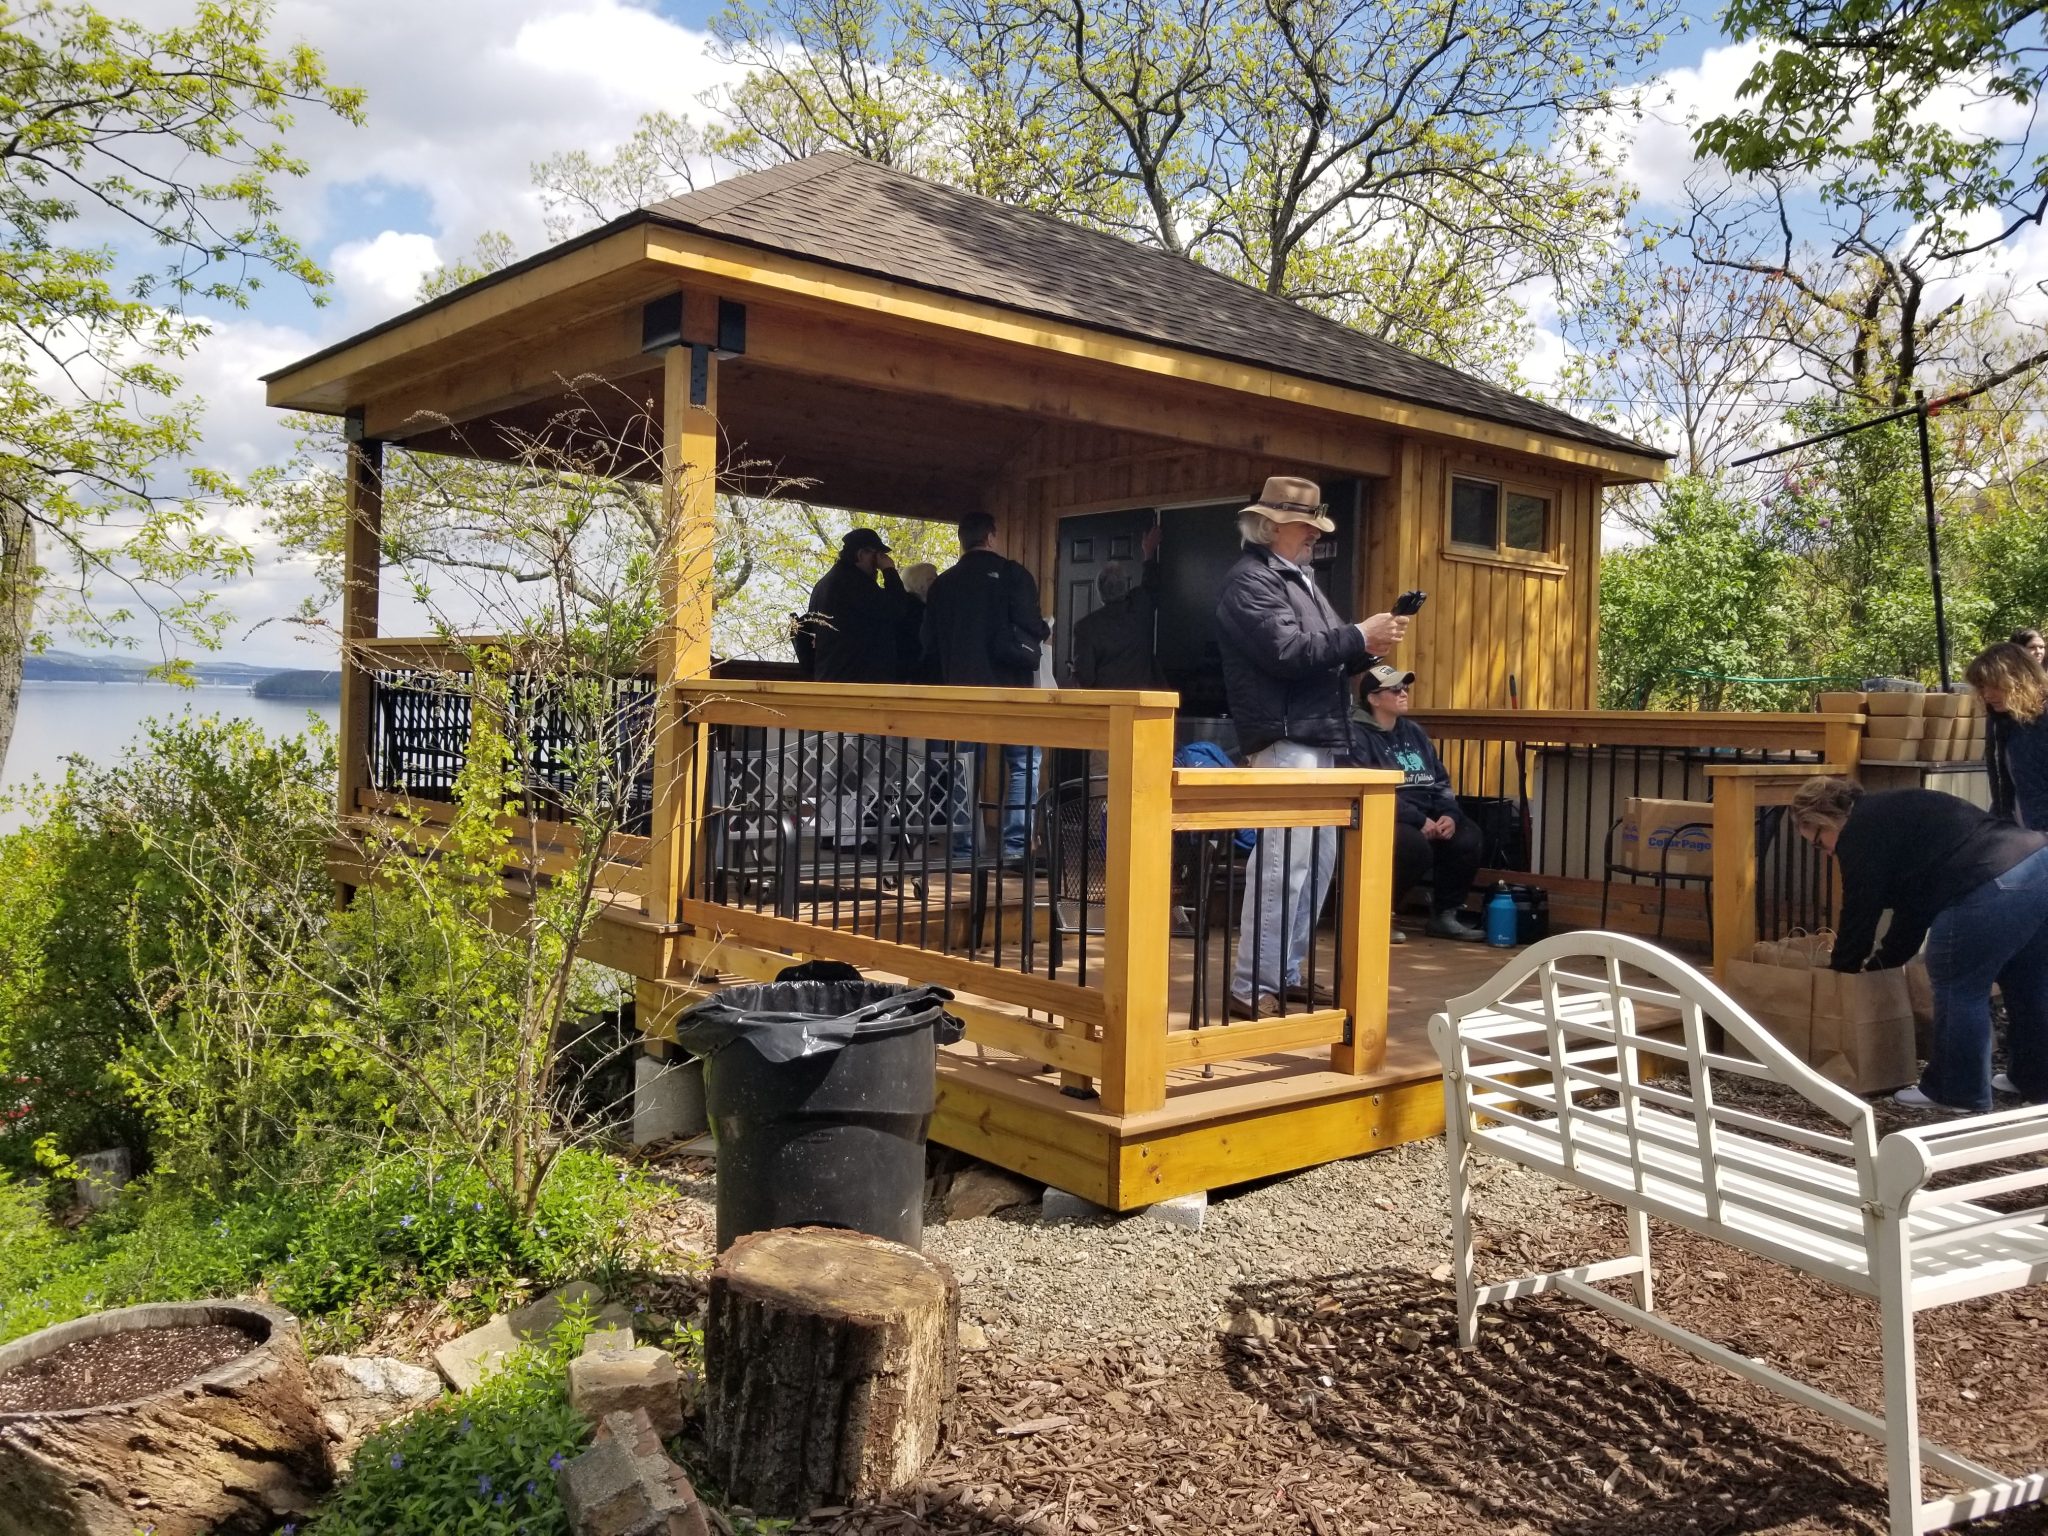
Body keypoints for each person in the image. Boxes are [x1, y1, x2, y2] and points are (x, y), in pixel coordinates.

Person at [1215, 475, 1408, 1019]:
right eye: (1305, 526)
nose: (1315, 535)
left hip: (1316, 734)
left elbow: (1325, 653)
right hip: (1285, 738)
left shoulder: (1296, 577)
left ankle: (1285, 975)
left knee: (1316, 864)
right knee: (1283, 867)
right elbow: (1287, 653)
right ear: (1271, 526)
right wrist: (1358, 634)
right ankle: (1251, 986)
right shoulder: (1249, 581)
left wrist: (1370, 645)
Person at [1792, 776, 2048, 1111]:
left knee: (1958, 986)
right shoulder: (1892, 811)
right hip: (2036, 862)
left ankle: (1956, 1092)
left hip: (1987, 880)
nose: (1826, 853)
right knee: (2029, 982)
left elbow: (1859, 911)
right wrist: (1885, 962)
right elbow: (1915, 907)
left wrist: (1842, 970)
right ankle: (2034, 1079)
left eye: (1818, 842)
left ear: (1823, 819)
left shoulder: (1858, 833)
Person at [923, 512, 1050, 861]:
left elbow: (928, 644)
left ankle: (963, 849)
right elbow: (1032, 624)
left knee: (963, 768)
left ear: (962, 540)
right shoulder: (1013, 575)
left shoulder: (942, 585)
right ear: (992, 537)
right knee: (1024, 762)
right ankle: (1015, 847)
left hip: (961, 691)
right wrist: (1044, 630)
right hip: (1012, 690)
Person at [1348, 666, 1485, 941]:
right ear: (1373, 698)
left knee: (1468, 836)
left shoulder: (1414, 731)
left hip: (1427, 812)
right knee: (1412, 847)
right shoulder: (1356, 735)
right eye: (1395, 689)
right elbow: (1363, 788)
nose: (1404, 693)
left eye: (1405, 688)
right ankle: (1376, 917)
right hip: (1382, 813)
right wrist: (1418, 820)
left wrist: (1449, 814)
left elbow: (1440, 780)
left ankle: (1445, 915)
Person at [798, 528, 911, 684]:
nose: (879, 563)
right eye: (877, 555)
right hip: (856, 678)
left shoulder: (826, 583)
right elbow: (896, 608)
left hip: (834, 675)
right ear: (861, 554)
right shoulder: (854, 582)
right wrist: (889, 571)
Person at [1067, 525, 1162, 688]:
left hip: (1107, 702)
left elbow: (1085, 678)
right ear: (1125, 586)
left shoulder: (1085, 628)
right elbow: (1151, 584)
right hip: (1142, 700)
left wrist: (1075, 671)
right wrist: (1149, 552)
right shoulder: (1141, 608)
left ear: (1099, 592)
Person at [1970, 641, 2048, 827]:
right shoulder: (1999, 720)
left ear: (2021, 680)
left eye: (1995, 686)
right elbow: (2002, 787)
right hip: (2019, 831)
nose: (1987, 694)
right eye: (1982, 686)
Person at [899, 561, 939, 683]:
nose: (938, 581)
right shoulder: (914, 610)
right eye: (932, 578)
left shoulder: (912, 606)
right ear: (919, 585)